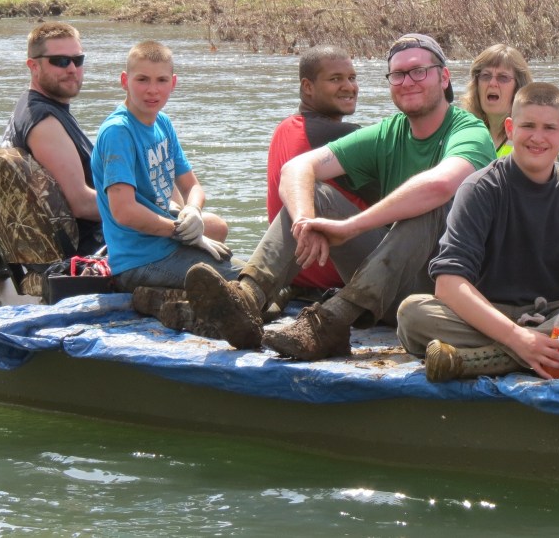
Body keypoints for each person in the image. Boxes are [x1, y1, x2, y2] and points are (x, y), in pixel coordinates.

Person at [185, 33, 495, 360]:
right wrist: (305, 221)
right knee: (316, 195)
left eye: (419, 71)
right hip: (387, 289)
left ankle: (331, 321)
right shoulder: (388, 133)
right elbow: (296, 168)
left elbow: (440, 185)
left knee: (429, 206)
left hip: (443, 298)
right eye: (398, 74)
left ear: (443, 77)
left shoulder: (470, 131)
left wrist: (352, 227)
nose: (408, 82)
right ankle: (247, 299)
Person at [396, 83, 559, 381]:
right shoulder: (480, 188)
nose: (537, 137)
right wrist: (517, 338)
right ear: (510, 128)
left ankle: (480, 360)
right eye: (528, 126)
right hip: (488, 315)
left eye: (549, 128)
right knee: (412, 314)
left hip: (555, 313)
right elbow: (448, 284)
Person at [92, 40, 235, 291]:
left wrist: (193, 210)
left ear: (173, 83)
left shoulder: (163, 123)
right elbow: (124, 211)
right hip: (139, 260)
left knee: (219, 229)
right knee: (248, 280)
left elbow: (191, 186)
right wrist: (180, 232)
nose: (152, 90)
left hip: (165, 243)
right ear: (125, 81)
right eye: (142, 80)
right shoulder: (118, 132)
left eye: (161, 80)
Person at [266, 45, 374, 292]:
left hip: (296, 276)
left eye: (352, 78)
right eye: (335, 79)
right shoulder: (343, 137)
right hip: (335, 273)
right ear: (308, 87)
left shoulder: (284, 127)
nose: (349, 87)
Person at [0, 21, 103, 255]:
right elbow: (80, 203)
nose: (72, 69)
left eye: (78, 60)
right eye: (60, 61)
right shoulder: (43, 121)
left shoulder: (35, 109)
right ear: (33, 66)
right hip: (92, 252)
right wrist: (145, 207)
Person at [460, 44, 533, 157]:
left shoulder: (532, 140)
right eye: (486, 76)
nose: (492, 83)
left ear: (518, 88)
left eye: (503, 77)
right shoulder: (466, 133)